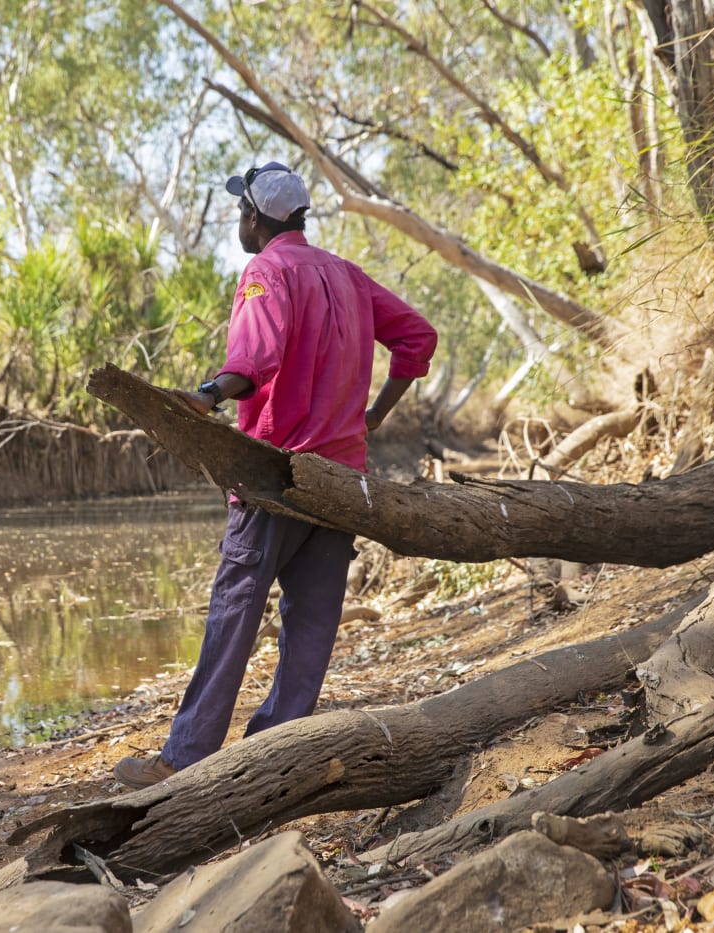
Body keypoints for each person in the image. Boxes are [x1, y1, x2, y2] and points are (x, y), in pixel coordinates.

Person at [114, 162, 439, 789]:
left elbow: (255, 360)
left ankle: (186, 757)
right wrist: (372, 416)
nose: (239, 221)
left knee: (235, 610)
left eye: (242, 212)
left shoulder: (267, 270)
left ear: (257, 218)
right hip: (341, 480)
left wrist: (208, 395)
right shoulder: (345, 274)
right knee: (312, 621)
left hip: (277, 475)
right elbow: (417, 337)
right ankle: (275, 757)